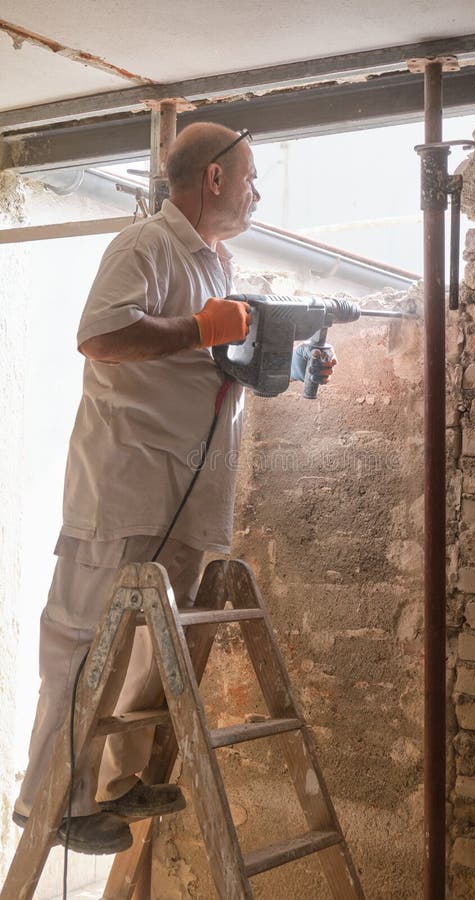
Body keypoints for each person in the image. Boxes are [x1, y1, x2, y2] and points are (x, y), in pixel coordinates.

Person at [13, 122, 335, 854]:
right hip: (125, 486)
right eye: (251, 178)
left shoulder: (218, 266)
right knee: (83, 644)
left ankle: (118, 781)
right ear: (213, 178)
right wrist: (195, 329)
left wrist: (296, 368)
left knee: (150, 650)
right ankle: (51, 802)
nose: (258, 193)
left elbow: (220, 363)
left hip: (189, 494)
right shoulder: (146, 247)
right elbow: (100, 336)